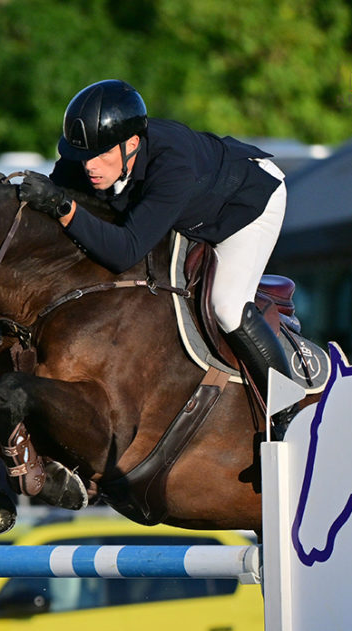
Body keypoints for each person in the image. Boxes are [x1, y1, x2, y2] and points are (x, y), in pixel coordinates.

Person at [17, 78, 328, 404]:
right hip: (192, 211)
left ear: (132, 143)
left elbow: (124, 251)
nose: (89, 166)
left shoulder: (172, 166)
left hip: (246, 207)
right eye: (82, 155)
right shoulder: (88, 155)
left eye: (102, 154)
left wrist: (64, 208)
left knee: (227, 306)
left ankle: (285, 406)